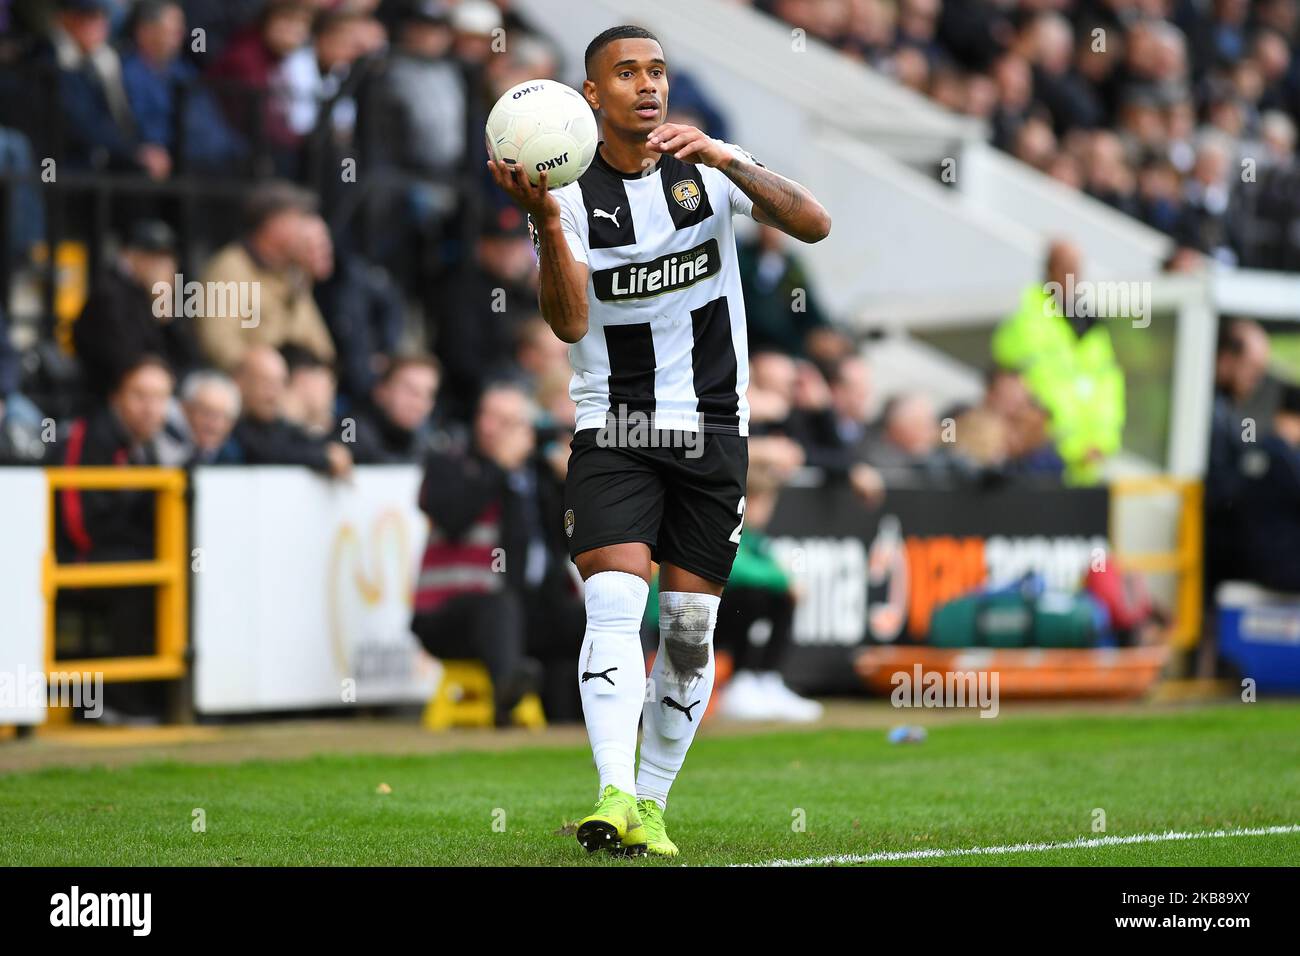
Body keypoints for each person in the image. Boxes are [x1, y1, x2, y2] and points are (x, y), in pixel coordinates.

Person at [488, 24, 830, 857]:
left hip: (713, 428)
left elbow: (814, 223)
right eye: (626, 73)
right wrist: (545, 223)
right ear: (591, 94)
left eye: (657, 71)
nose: (648, 85)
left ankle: (651, 803)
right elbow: (569, 321)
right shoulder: (565, 193)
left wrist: (729, 159)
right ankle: (610, 792)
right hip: (616, 426)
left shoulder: (704, 167)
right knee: (614, 600)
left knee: (686, 632)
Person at [410, 384, 583, 723]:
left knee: (601, 614)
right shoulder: (449, 461)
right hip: (451, 614)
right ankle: (507, 692)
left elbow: (570, 541)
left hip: (527, 611)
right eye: (491, 417)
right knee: (501, 603)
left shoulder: (536, 472)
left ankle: (630, 705)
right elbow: (453, 517)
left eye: (510, 422)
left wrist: (570, 484)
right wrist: (498, 466)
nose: (496, 429)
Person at [992, 239, 1125, 485]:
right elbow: (1006, 381)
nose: (1071, 276)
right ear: (1050, 270)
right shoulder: (1027, 318)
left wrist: (1102, 441)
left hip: (1088, 464)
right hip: (1039, 455)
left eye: (1076, 268)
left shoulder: (1093, 329)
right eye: (1065, 267)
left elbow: (1109, 390)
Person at [197, 182, 337, 372]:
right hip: (248, 380)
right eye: (298, 221)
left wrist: (321, 369)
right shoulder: (229, 270)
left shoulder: (292, 272)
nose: (304, 232)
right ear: (273, 225)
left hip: (295, 378)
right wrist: (264, 368)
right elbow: (219, 345)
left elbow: (319, 343)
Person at [73, 219, 200, 401]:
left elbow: (188, 358)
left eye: (167, 259)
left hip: (159, 391)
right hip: (116, 399)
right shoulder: (110, 295)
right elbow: (127, 361)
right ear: (132, 256)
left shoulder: (152, 295)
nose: (163, 268)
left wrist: (163, 309)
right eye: (154, 258)